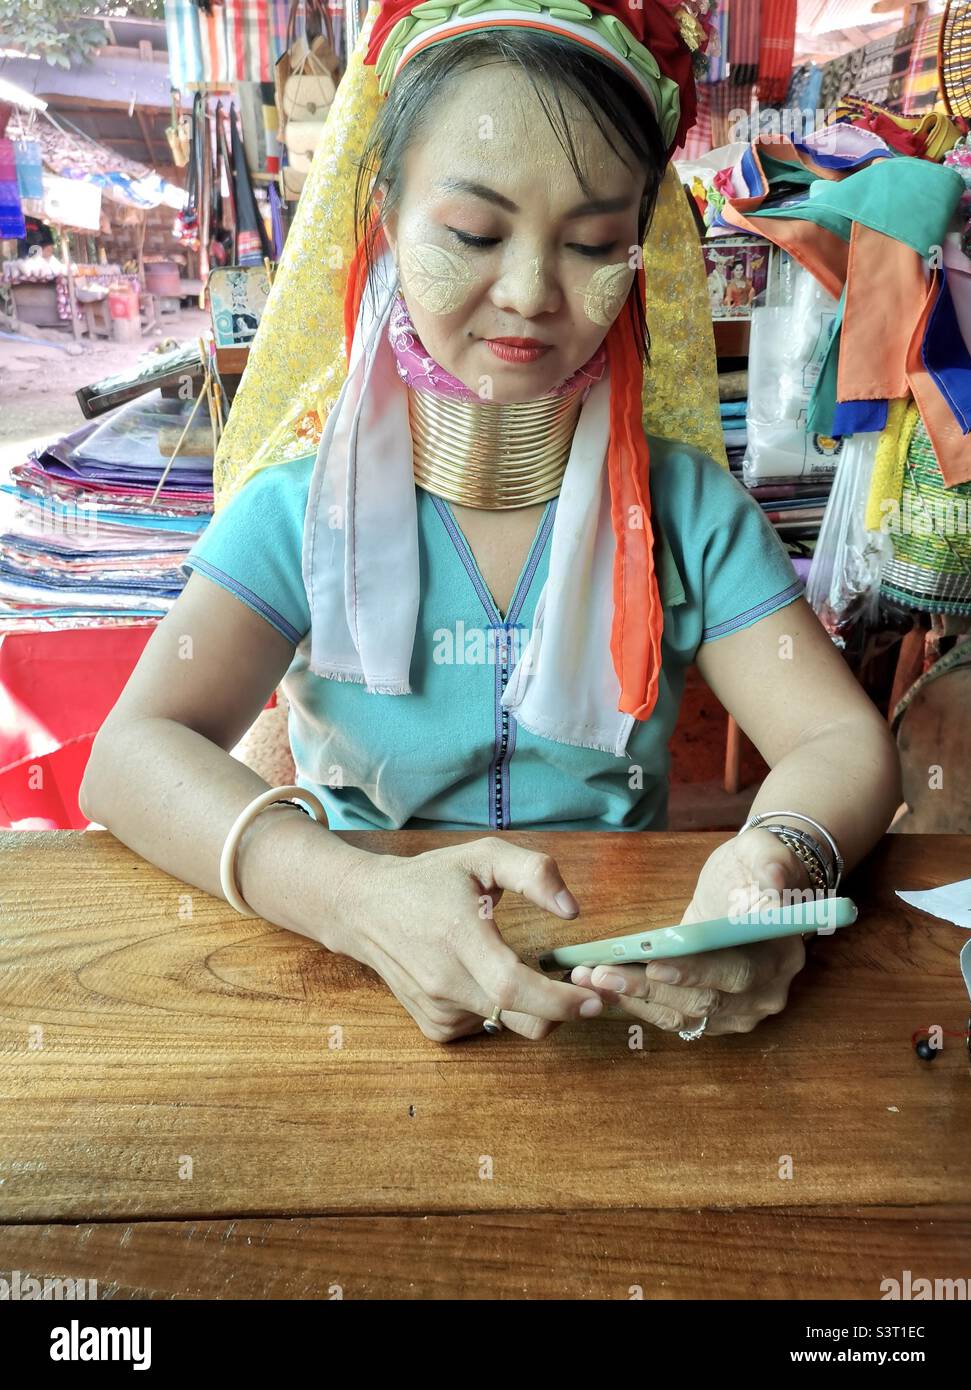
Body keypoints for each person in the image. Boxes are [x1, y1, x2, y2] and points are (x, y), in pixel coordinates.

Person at [80, 0, 902, 1046]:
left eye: (593, 242)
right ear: (383, 214)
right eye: (473, 232)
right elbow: (131, 753)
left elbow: (839, 738)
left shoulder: (688, 513)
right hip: (354, 982)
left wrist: (779, 858)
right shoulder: (299, 512)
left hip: (624, 998)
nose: (528, 292)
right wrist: (354, 899)